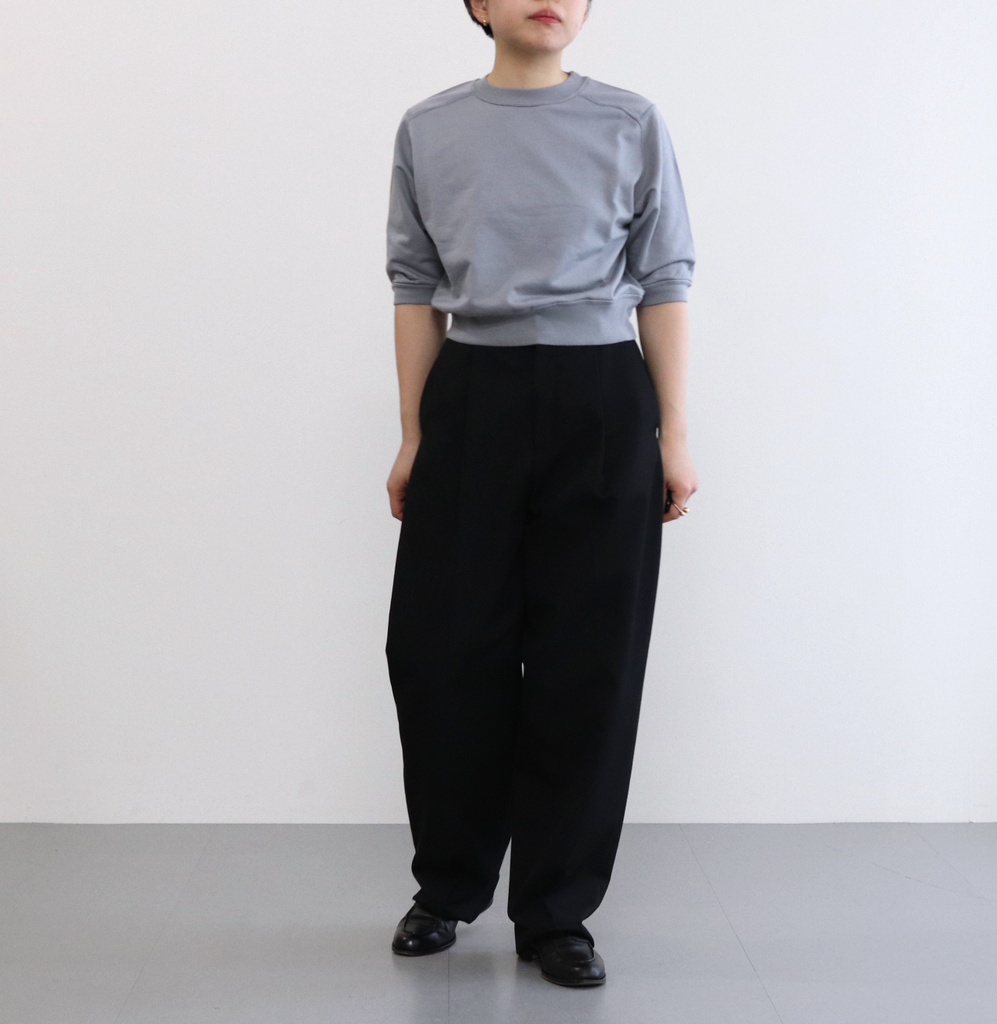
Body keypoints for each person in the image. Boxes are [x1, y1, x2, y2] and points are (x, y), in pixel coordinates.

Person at [383, 0, 698, 988]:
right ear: (478, 5)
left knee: (588, 661)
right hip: (471, 394)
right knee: (440, 651)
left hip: (600, 396)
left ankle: (557, 913)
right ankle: (448, 886)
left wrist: (673, 433)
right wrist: (413, 433)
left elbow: (663, 276)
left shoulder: (629, 121)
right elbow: (414, 283)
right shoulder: (430, 128)